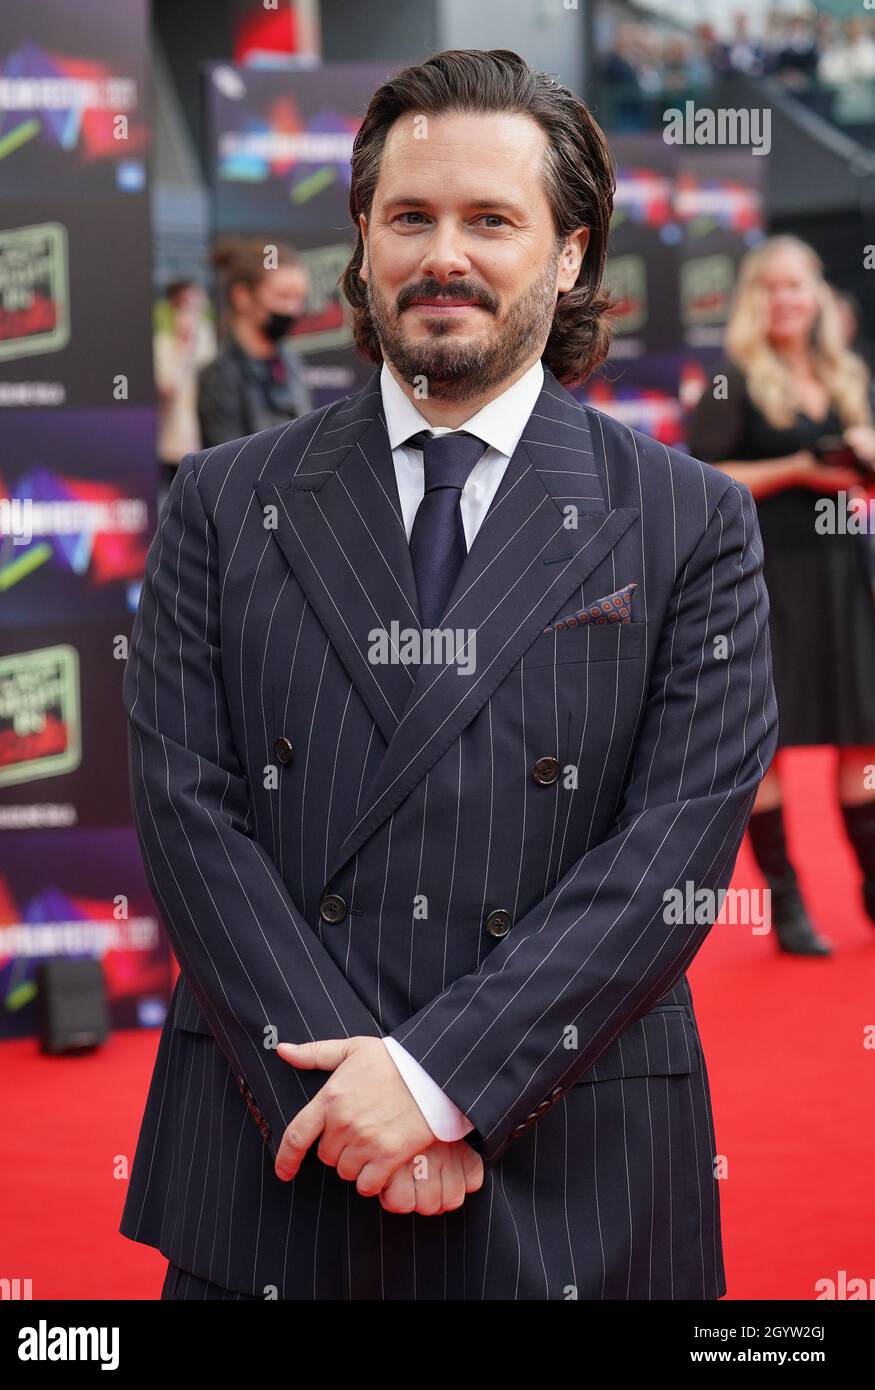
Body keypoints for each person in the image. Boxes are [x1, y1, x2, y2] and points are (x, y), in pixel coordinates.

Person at [120, 48, 776, 1301]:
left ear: (573, 252)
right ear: (360, 239)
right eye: (409, 216)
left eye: (491, 219)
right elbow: (185, 810)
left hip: (567, 1158)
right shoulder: (221, 499)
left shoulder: (690, 518)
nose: (443, 256)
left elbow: (674, 852)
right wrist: (344, 1096)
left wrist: (437, 1083)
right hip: (280, 1145)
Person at [687, 235, 875, 956]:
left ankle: (868, 888)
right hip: (765, 578)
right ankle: (788, 906)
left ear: (818, 294)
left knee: (861, 735)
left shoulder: (843, 373)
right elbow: (708, 477)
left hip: (842, 575)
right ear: (752, 301)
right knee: (767, 745)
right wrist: (800, 464)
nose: (786, 299)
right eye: (771, 287)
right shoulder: (733, 378)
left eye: (797, 285)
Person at [197, 238, 312, 447]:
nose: (294, 310)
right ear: (242, 296)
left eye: (299, 299)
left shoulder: (291, 362)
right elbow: (228, 465)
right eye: (283, 297)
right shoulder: (220, 376)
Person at [153, 280, 216, 512]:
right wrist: (182, 347)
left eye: (197, 304)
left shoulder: (208, 340)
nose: (192, 312)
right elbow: (167, 386)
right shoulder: (163, 344)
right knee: (175, 505)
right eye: (185, 305)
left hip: (207, 438)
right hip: (174, 441)